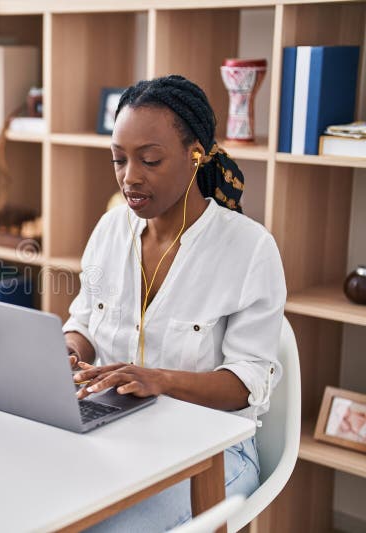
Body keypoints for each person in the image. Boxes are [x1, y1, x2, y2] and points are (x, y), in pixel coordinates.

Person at [62, 75, 286, 531]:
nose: (130, 177)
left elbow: (246, 384)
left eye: (149, 160)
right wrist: (67, 352)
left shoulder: (249, 249)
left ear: (195, 154)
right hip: (113, 431)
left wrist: (158, 380)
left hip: (213, 451)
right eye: (119, 160)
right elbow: (82, 323)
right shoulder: (109, 230)